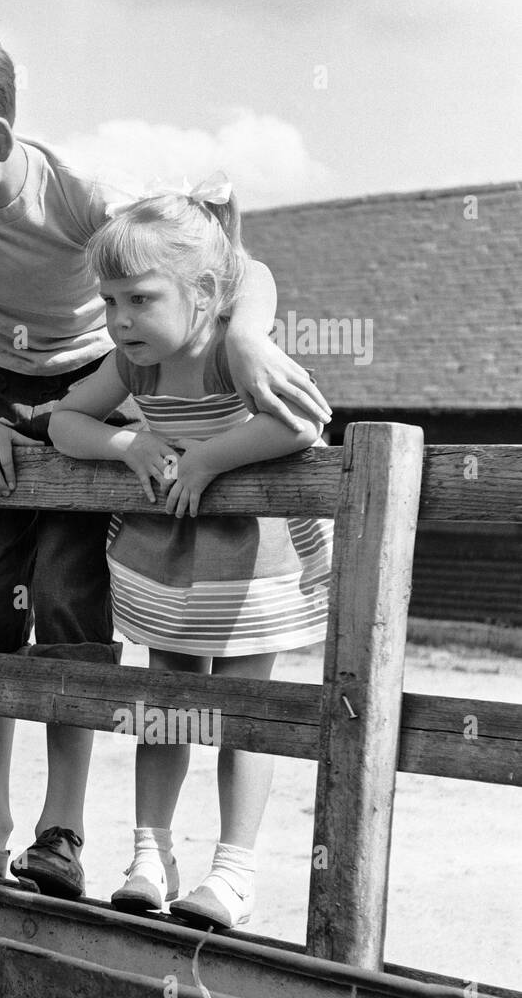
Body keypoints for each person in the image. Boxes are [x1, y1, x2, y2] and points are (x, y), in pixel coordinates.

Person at [0, 17, 329, 898]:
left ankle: (62, 830)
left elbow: (230, 265)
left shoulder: (84, 192)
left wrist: (248, 336)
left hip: (98, 378)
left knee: (69, 597)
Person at [48, 175, 332, 928]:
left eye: (140, 299)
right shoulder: (134, 365)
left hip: (248, 560)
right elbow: (63, 424)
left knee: (243, 709)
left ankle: (233, 871)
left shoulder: (231, 353)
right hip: (172, 558)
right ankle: (152, 853)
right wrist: (128, 441)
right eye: (109, 302)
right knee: (167, 703)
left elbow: (301, 426)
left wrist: (209, 459)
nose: (120, 319)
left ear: (203, 292)